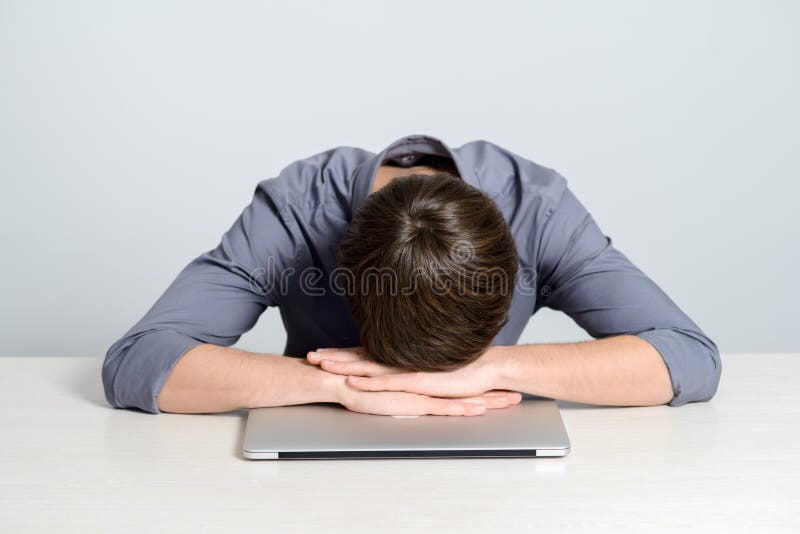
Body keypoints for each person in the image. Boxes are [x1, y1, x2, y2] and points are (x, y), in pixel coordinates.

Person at [102, 134, 721, 416]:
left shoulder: (538, 208)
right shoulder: (297, 211)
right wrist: (345, 386)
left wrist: (493, 368)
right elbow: (138, 360)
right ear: (346, 273)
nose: (418, 385)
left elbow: (689, 357)